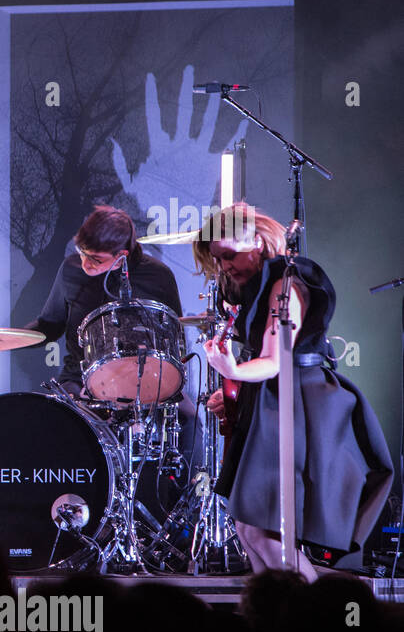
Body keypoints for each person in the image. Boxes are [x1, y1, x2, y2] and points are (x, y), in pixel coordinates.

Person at [195, 202, 393, 579]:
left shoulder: (288, 284)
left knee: (269, 533)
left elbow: (274, 360)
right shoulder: (254, 285)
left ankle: (312, 614)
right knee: (249, 528)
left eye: (229, 256)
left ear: (255, 241)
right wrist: (235, 391)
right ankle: (278, 617)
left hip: (300, 403)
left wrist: (232, 368)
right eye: (218, 260)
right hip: (270, 400)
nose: (224, 268)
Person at [23, 205, 183, 397]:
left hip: (145, 379)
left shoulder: (158, 275)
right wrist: (2, 339)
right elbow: (49, 325)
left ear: (122, 255)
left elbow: (175, 336)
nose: (85, 263)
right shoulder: (71, 269)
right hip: (79, 379)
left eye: (96, 259)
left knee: (190, 421)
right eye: (82, 251)